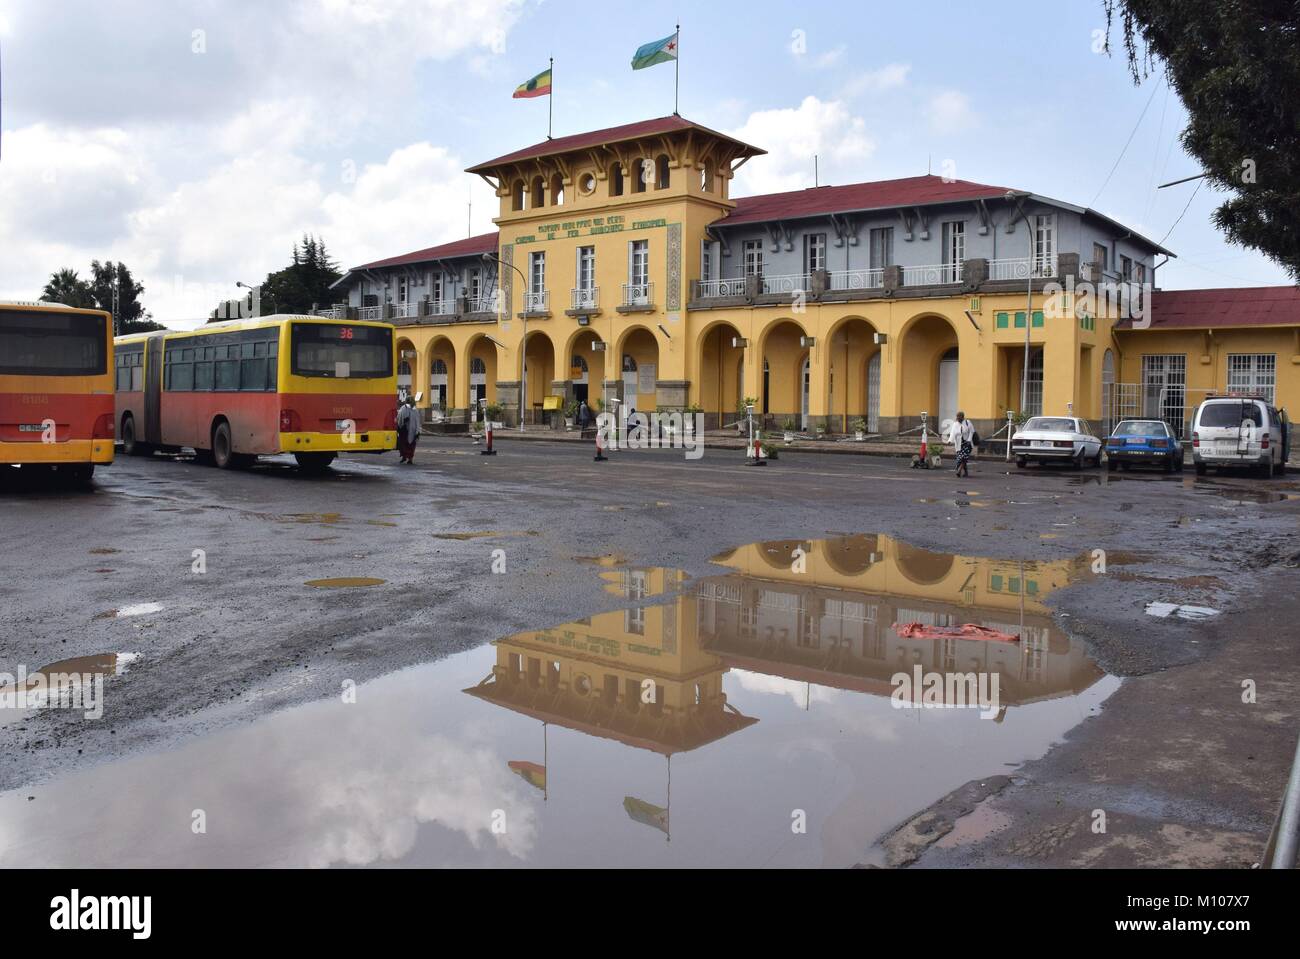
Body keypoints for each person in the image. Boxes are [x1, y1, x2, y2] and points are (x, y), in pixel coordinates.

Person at [947, 411, 974, 478]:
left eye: (959, 417)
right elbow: (952, 433)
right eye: (957, 417)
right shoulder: (955, 424)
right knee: (961, 458)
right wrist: (950, 440)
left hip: (967, 444)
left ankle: (959, 471)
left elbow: (972, 432)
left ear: (963, 417)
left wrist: (969, 440)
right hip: (959, 444)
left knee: (963, 457)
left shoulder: (968, 422)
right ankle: (966, 472)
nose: (958, 418)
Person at [396, 395, 421, 465]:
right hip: (405, 430)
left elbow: (417, 421)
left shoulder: (414, 410)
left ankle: (409, 459)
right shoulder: (404, 408)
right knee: (404, 444)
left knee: (410, 445)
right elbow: (399, 418)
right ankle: (405, 457)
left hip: (411, 431)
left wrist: (417, 431)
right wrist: (403, 421)